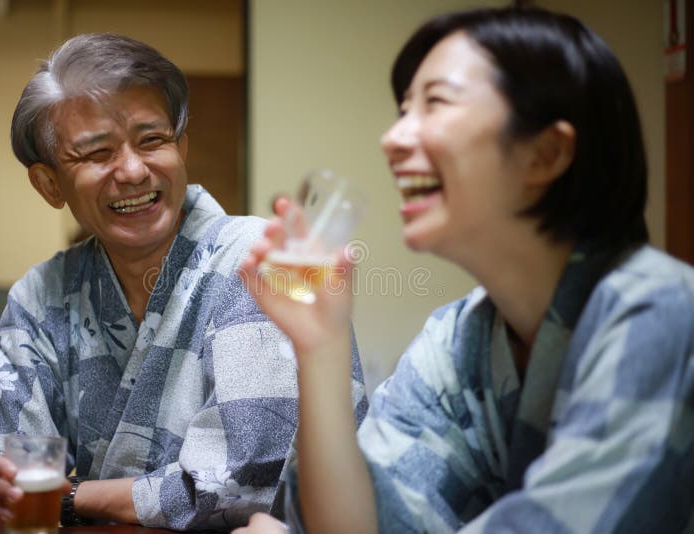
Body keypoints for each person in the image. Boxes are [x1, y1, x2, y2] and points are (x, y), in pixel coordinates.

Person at [236, 6, 694, 534]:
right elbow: (362, 523)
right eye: (403, 108)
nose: (393, 138)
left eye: (435, 102)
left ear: (545, 154)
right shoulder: (459, 336)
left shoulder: (658, 316)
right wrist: (321, 348)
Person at [0, 33, 368, 533]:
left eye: (152, 140)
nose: (134, 171)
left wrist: (67, 496)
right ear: (49, 184)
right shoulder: (45, 293)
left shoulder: (257, 261)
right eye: (98, 153)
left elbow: (241, 480)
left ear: (182, 147)